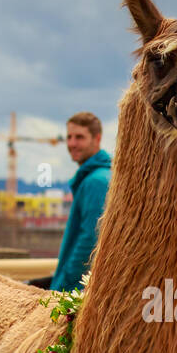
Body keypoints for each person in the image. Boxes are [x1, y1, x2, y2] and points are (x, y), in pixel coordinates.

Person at [50, 112, 112, 293]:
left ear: (97, 138)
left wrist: (64, 286)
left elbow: (91, 238)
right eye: (69, 137)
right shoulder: (100, 176)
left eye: (79, 137)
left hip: (77, 290)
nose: (72, 144)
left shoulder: (96, 181)